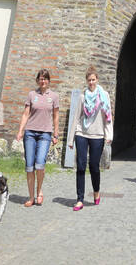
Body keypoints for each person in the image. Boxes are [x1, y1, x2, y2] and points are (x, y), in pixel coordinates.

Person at [67, 67, 113, 211]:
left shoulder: (104, 95)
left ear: (97, 80)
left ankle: (96, 191)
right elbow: (76, 117)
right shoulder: (82, 96)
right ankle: (80, 199)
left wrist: (109, 134)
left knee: (94, 166)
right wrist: (70, 139)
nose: (91, 82)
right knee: (81, 166)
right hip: (82, 133)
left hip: (97, 134)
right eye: (89, 80)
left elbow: (108, 116)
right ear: (86, 81)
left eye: (93, 80)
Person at [15, 68, 60, 207]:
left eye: (45, 78)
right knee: (29, 166)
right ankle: (31, 197)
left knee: (40, 163)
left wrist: (56, 133)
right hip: (30, 133)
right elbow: (25, 114)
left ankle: (39, 191)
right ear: (37, 80)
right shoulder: (31, 95)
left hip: (45, 134)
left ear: (49, 81)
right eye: (41, 78)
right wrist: (20, 130)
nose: (43, 81)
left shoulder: (53, 96)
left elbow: (56, 116)